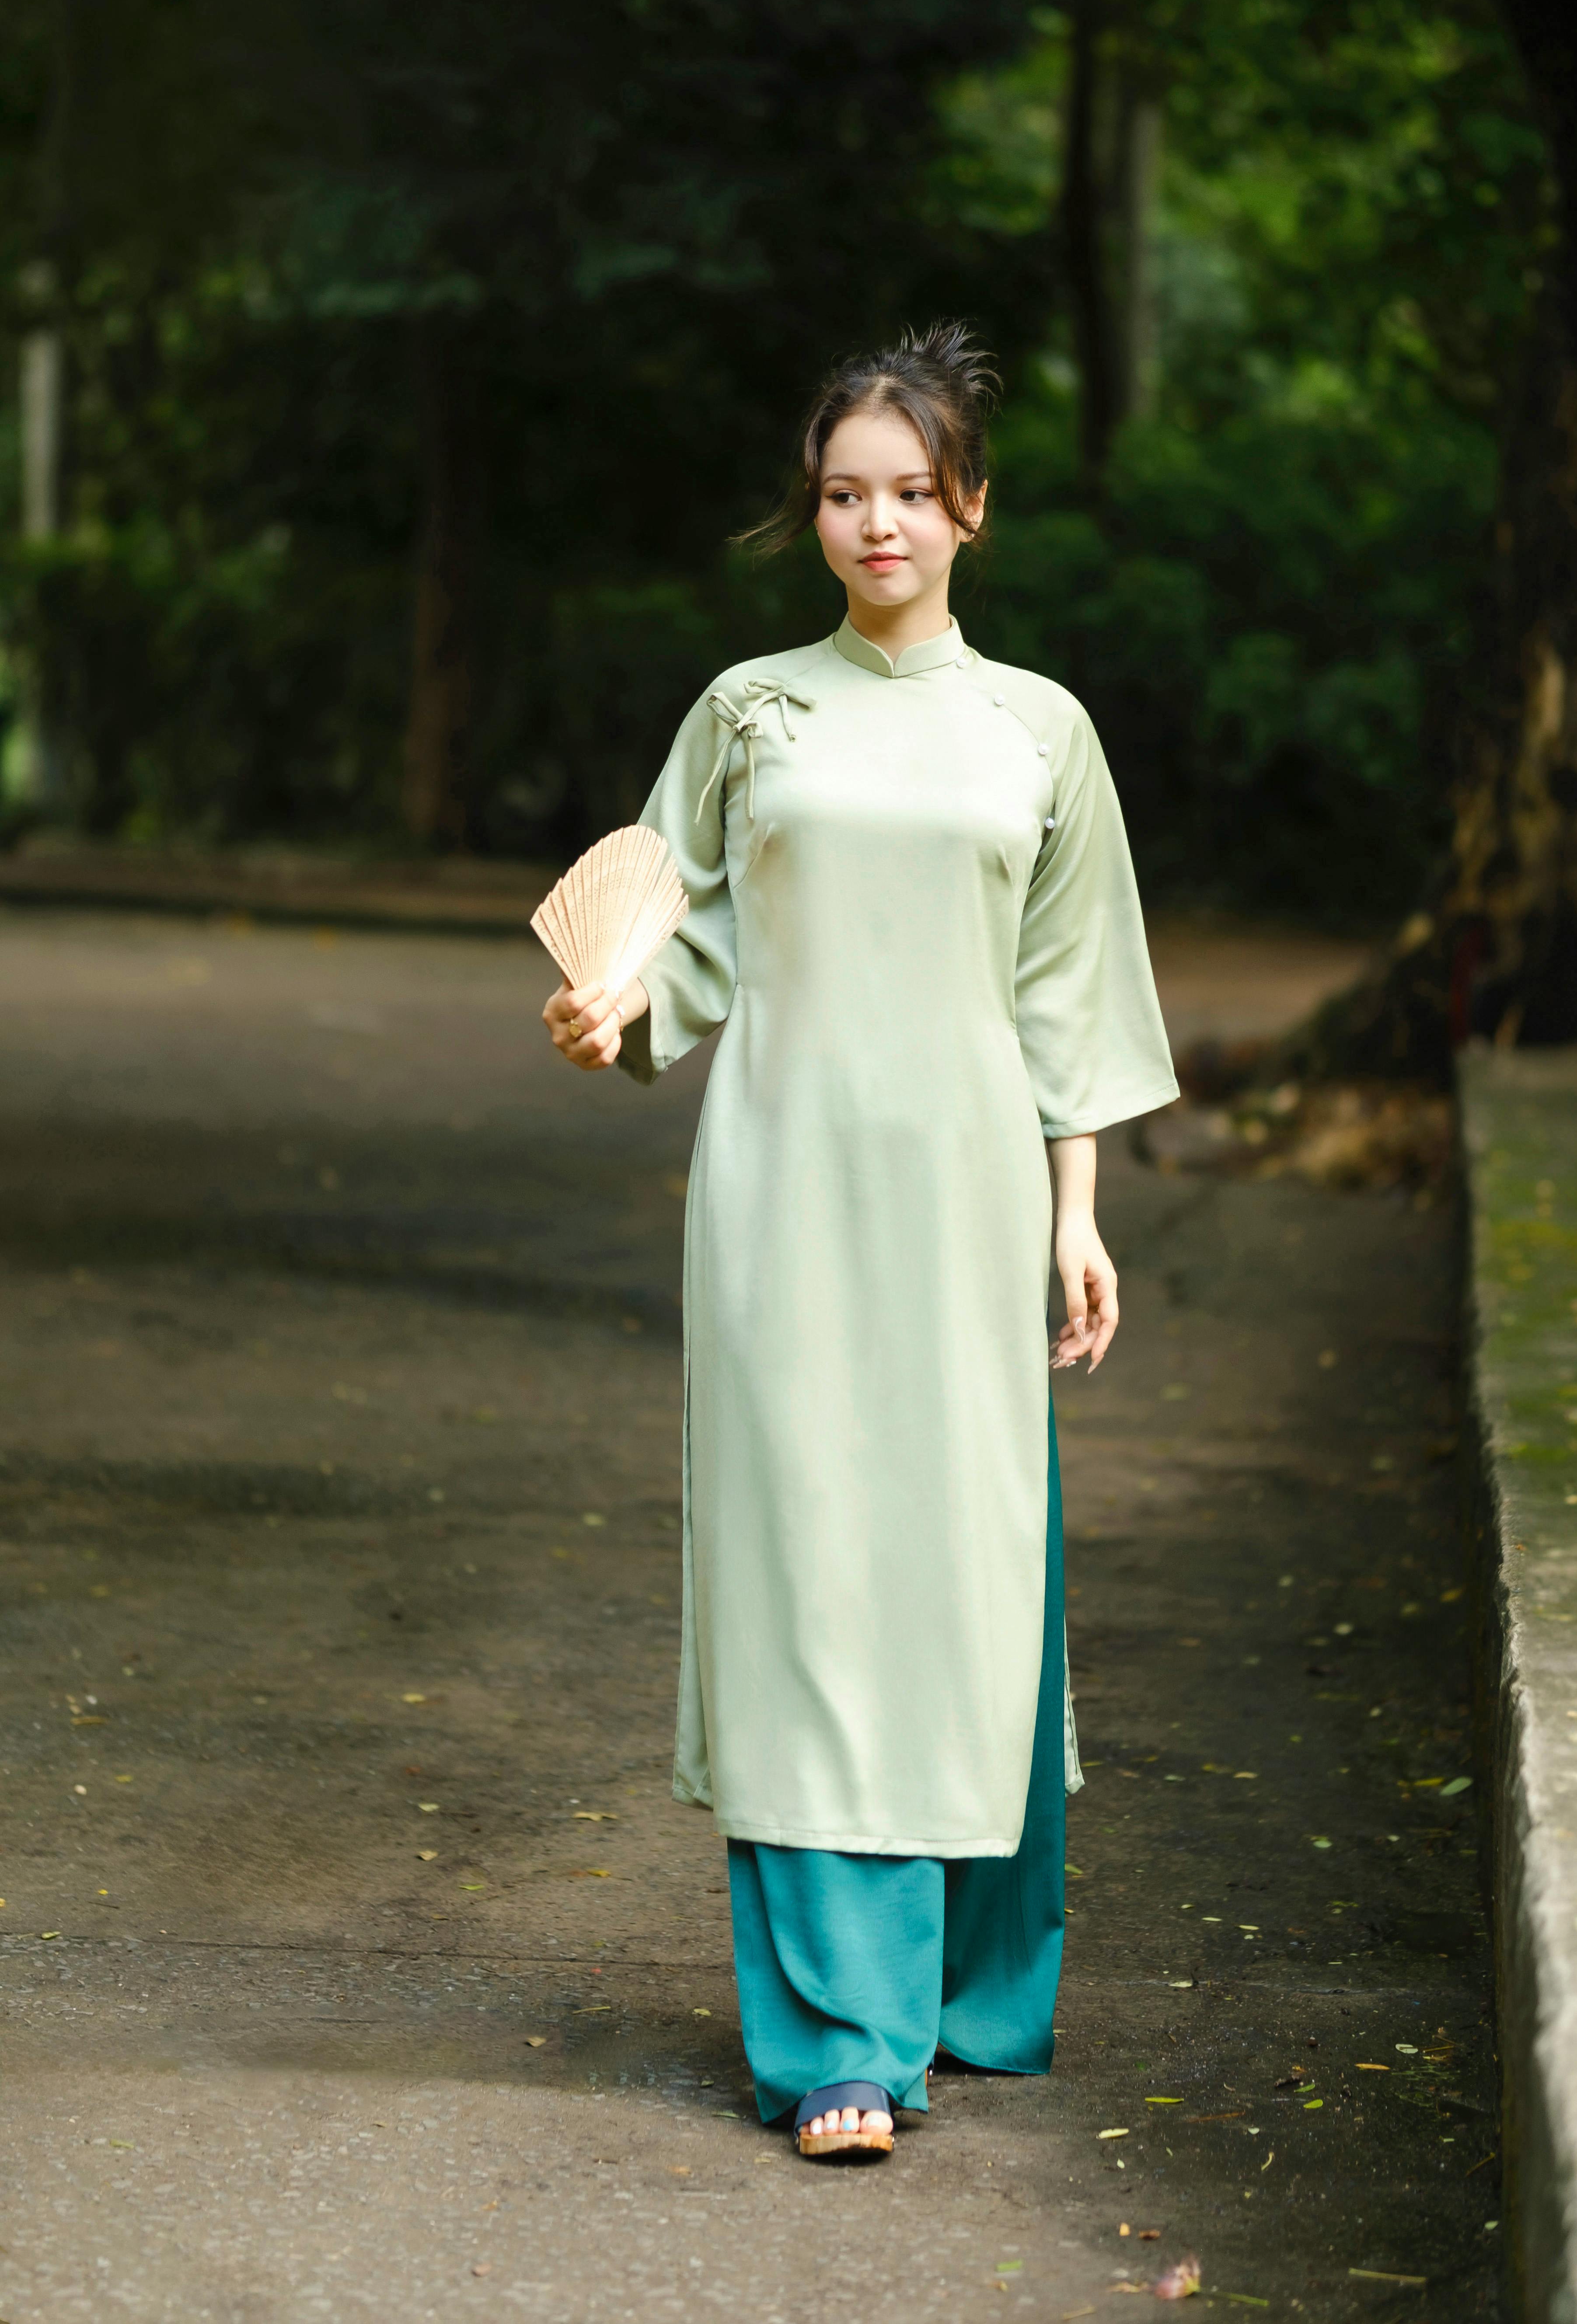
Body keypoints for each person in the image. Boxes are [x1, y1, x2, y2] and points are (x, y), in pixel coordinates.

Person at [544, 325, 1177, 2159]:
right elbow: (667, 951)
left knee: (964, 1584)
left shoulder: (1039, 730)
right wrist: (603, 1014)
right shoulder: (748, 716)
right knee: (807, 1581)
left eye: (911, 491)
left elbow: (1070, 996)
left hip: (976, 1197)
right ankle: (840, 2032)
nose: (875, 522)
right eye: (843, 492)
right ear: (807, 509)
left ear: (970, 506)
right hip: (782, 1194)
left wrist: (1076, 1215)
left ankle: (975, 1991)